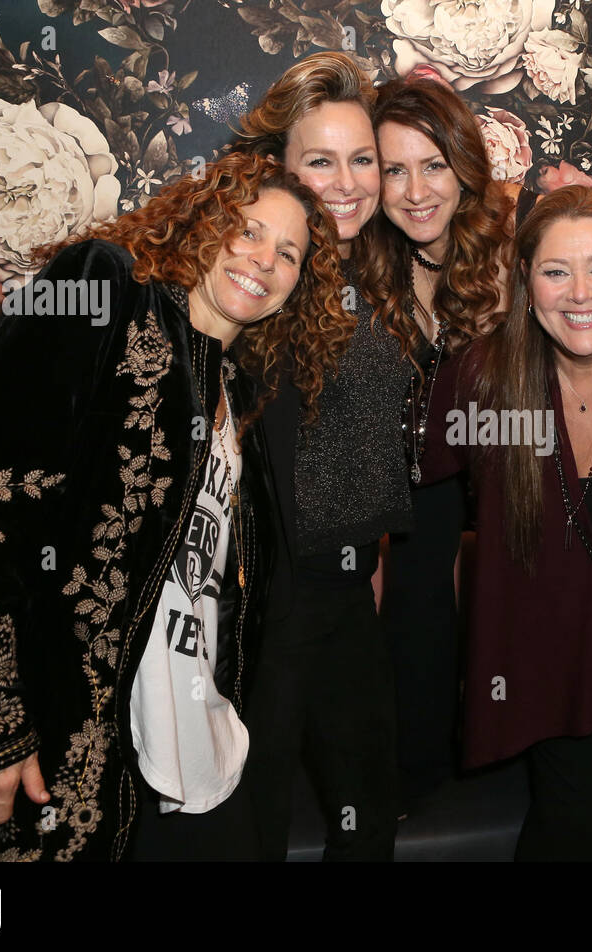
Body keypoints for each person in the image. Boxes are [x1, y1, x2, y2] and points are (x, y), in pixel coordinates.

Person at [0, 151, 346, 861]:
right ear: (200, 224)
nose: (264, 258)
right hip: (47, 742)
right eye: (247, 228)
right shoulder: (105, 286)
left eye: (289, 252)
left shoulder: (241, 396)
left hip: (183, 751)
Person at [416, 185, 592, 861]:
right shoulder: (481, 380)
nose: (581, 293)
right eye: (555, 271)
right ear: (526, 281)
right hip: (555, 695)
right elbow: (415, 540)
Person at [230, 52, 409, 860]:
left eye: (361, 158)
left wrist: (367, 563)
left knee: (367, 818)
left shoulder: (368, 269)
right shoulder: (257, 274)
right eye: (321, 160)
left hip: (346, 587)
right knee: (249, 819)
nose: (347, 181)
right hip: (267, 596)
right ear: (280, 168)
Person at [361, 77, 512, 806]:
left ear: (464, 167)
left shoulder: (510, 258)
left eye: (433, 166)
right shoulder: (355, 265)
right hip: (375, 501)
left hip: (482, 493)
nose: (415, 190)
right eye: (394, 169)